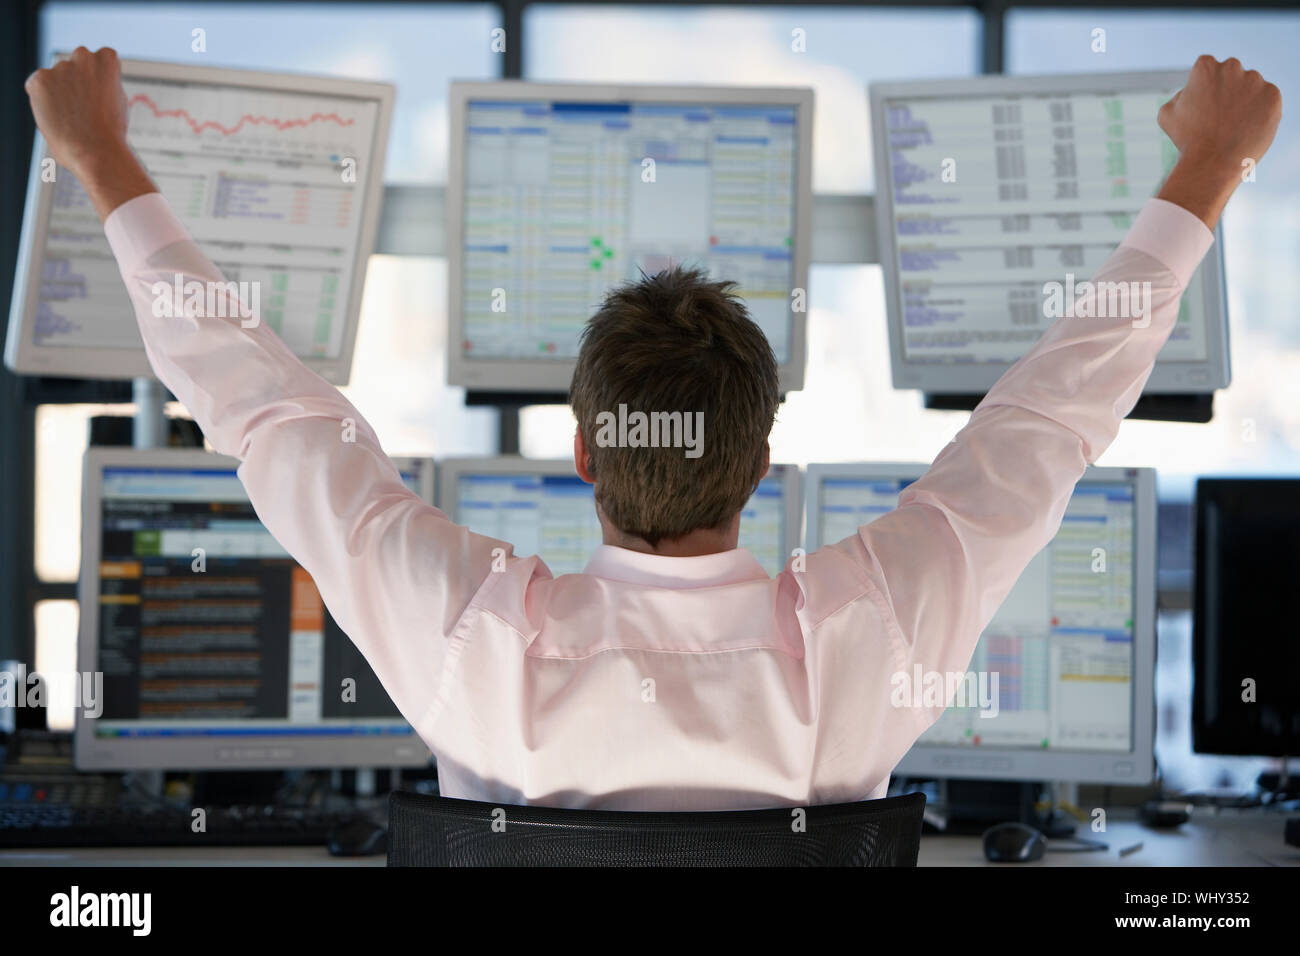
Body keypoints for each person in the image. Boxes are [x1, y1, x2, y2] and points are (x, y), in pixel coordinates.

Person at [25, 50, 1280, 810]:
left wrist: (97, 156)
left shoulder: (471, 643)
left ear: (581, 453)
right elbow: (1050, 417)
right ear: (763, 461)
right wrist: (1207, 170)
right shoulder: (868, 632)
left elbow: (263, 410)